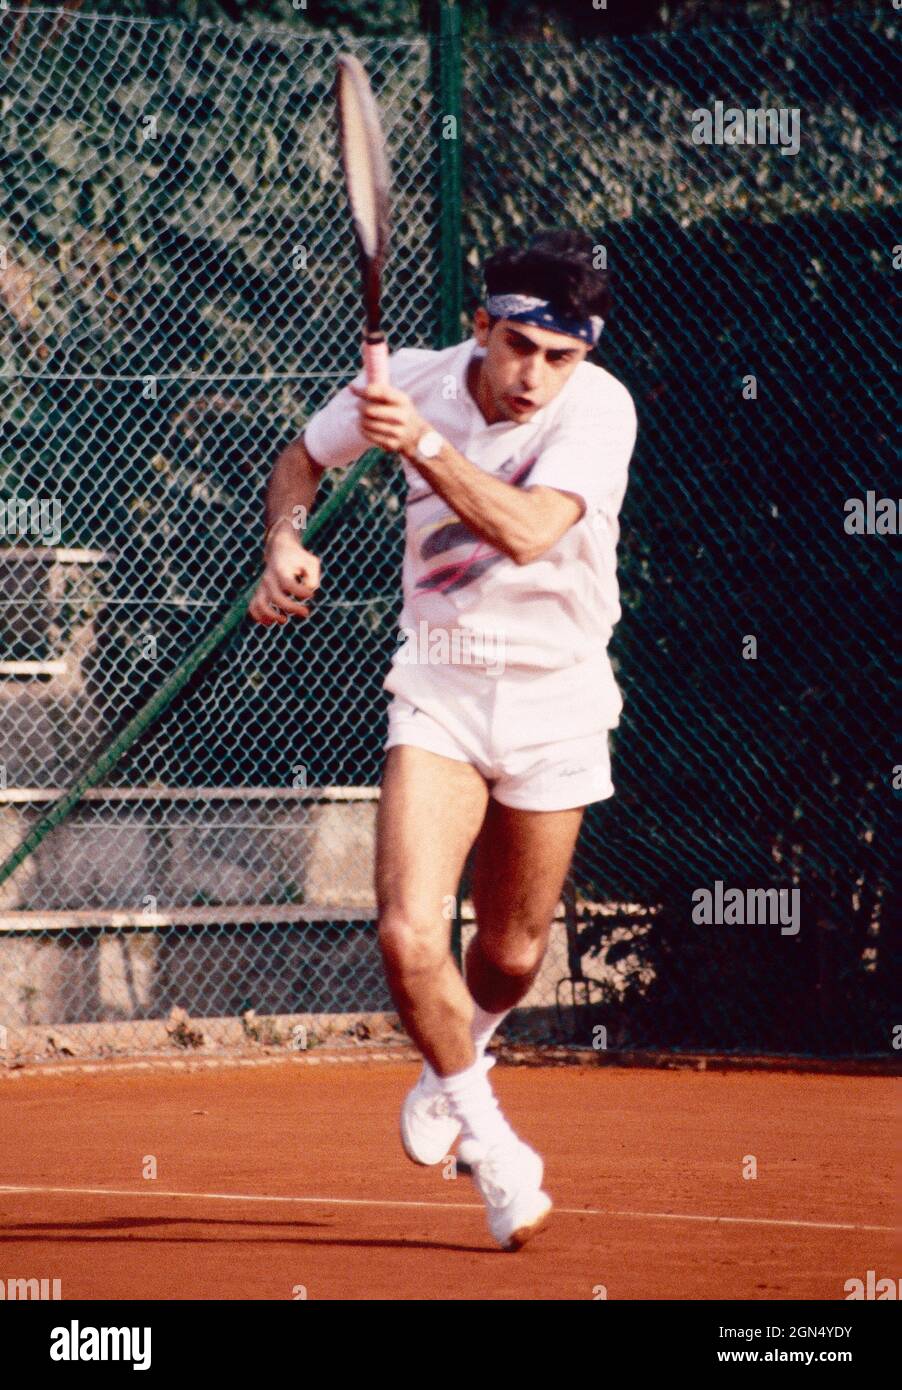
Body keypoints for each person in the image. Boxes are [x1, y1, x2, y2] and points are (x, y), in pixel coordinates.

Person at [250, 228, 637, 1250]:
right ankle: (497, 1152)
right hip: (438, 687)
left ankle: (458, 1053)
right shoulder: (414, 377)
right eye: (519, 347)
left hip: (557, 697)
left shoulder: (598, 410)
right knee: (404, 931)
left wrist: (418, 443)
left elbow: (524, 530)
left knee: (508, 957)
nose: (537, 377)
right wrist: (285, 543)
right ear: (481, 325)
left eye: (562, 355)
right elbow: (299, 458)